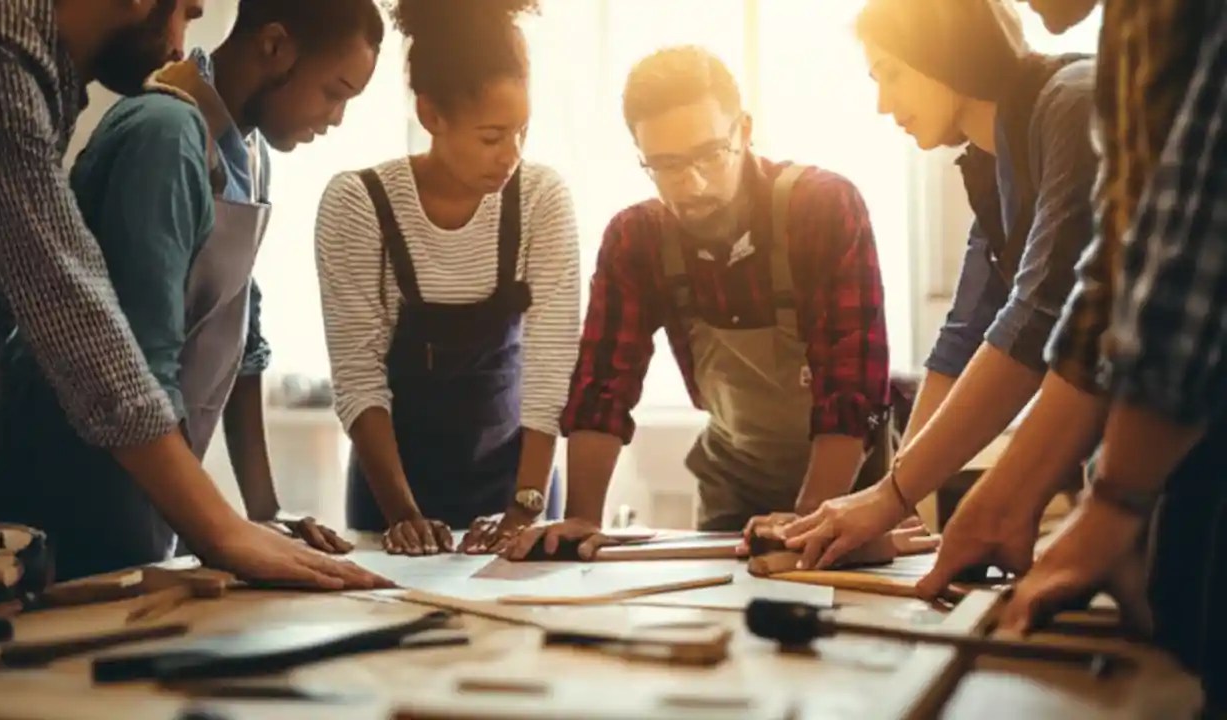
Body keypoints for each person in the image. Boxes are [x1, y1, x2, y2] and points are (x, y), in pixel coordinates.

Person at [0, 0, 381, 589]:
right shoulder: (0, 51)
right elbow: (77, 315)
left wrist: (258, 512)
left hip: (139, 467)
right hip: (79, 472)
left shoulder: (240, 153)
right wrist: (219, 529)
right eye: (185, 12)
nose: (182, 43)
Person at [926, 0, 1227, 710]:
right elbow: (1114, 276)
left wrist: (1114, 500)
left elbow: (1197, 246)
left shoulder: (1075, 86)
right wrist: (1007, 499)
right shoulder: (1127, 26)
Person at [505, 44, 915, 563]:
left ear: (743, 132)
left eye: (709, 155)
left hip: (853, 490)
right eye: (666, 164)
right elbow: (603, 385)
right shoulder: (637, 240)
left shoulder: (822, 208)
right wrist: (585, 518)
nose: (691, 183)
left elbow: (852, 380)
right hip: (734, 489)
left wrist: (809, 522)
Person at [771, 0, 1101, 572]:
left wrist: (888, 494)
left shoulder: (1071, 103)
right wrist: (898, 513)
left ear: (942, 48)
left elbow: (1033, 322)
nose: (882, 104)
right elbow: (962, 339)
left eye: (890, 74)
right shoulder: (991, 165)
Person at [316, 0, 581, 556]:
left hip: (519, 483)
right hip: (389, 491)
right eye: (491, 137)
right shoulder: (358, 204)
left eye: (522, 132)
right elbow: (358, 377)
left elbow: (552, 364)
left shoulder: (541, 199)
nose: (510, 156)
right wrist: (404, 517)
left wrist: (523, 508)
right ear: (431, 114)